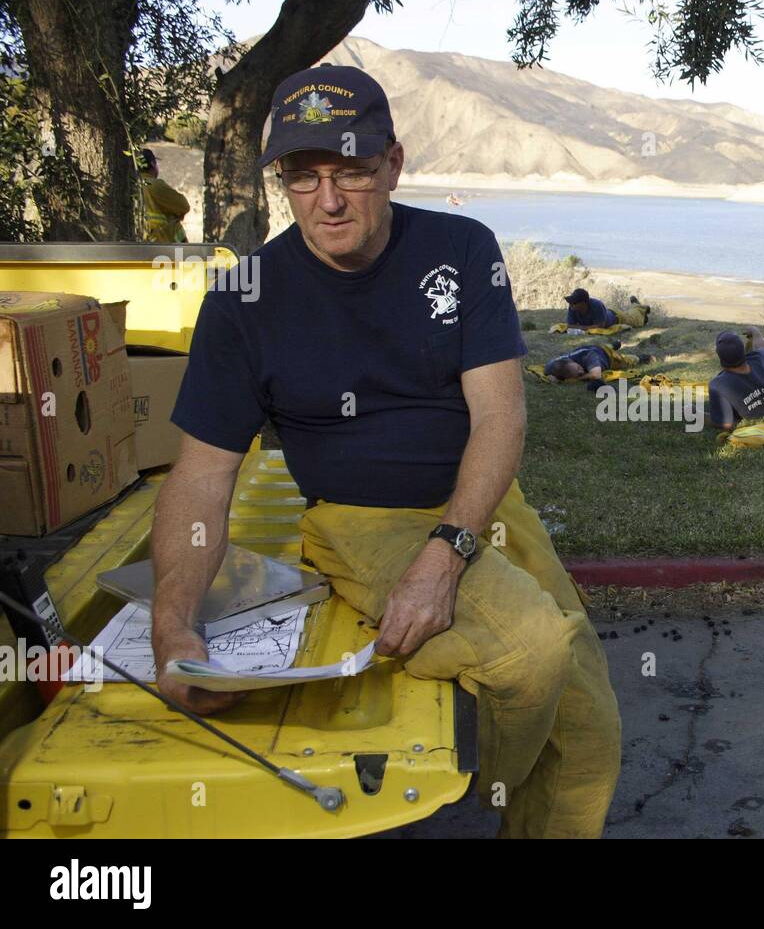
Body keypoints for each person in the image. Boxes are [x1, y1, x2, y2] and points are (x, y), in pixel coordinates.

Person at [150, 64, 620, 838]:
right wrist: (174, 628)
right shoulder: (245, 301)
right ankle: (477, 790)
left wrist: (446, 558)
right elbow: (203, 477)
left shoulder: (463, 250)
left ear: (393, 164)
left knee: (592, 734)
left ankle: (502, 781)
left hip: (482, 501)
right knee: (529, 654)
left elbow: (500, 418)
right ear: (283, 183)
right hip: (365, 518)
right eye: (304, 177)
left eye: (352, 171)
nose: (328, 201)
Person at [707, 327, 764, 430]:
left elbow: (725, 424)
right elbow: (762, 346)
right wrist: (755, 331)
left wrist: (696, 413)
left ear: (722, 364)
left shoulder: (718, 385)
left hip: (754, 415)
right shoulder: (759, 358)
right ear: (744, 354)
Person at [137, 148, 190, 243]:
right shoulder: (155, 186)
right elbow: (184, 206)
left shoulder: (135, 186)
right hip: (168, 247)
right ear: (153, 164)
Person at [543, 342, 647, 383]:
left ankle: (643, 357)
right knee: (601, 348)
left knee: (628, 361)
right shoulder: (553, 366)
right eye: (577, 374)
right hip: (595, 349)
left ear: (573, 361)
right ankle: (613, 345)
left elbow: (595, 375)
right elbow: (550, 370)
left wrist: (573, 380)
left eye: (579, 368)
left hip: (607, 356)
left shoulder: (587, 356)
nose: (581, 372)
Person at [564, 287, 650, 329]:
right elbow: (570, 325)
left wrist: (580, 327)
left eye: (574, 303)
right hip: (607, 312)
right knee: (630, 313)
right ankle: (636, 306)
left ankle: (639, 307)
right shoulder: (572, 308)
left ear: (583, 303)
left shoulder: (596, 305)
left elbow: (600, 326)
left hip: (618, 317)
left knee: (634, 319)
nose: (571, 304)